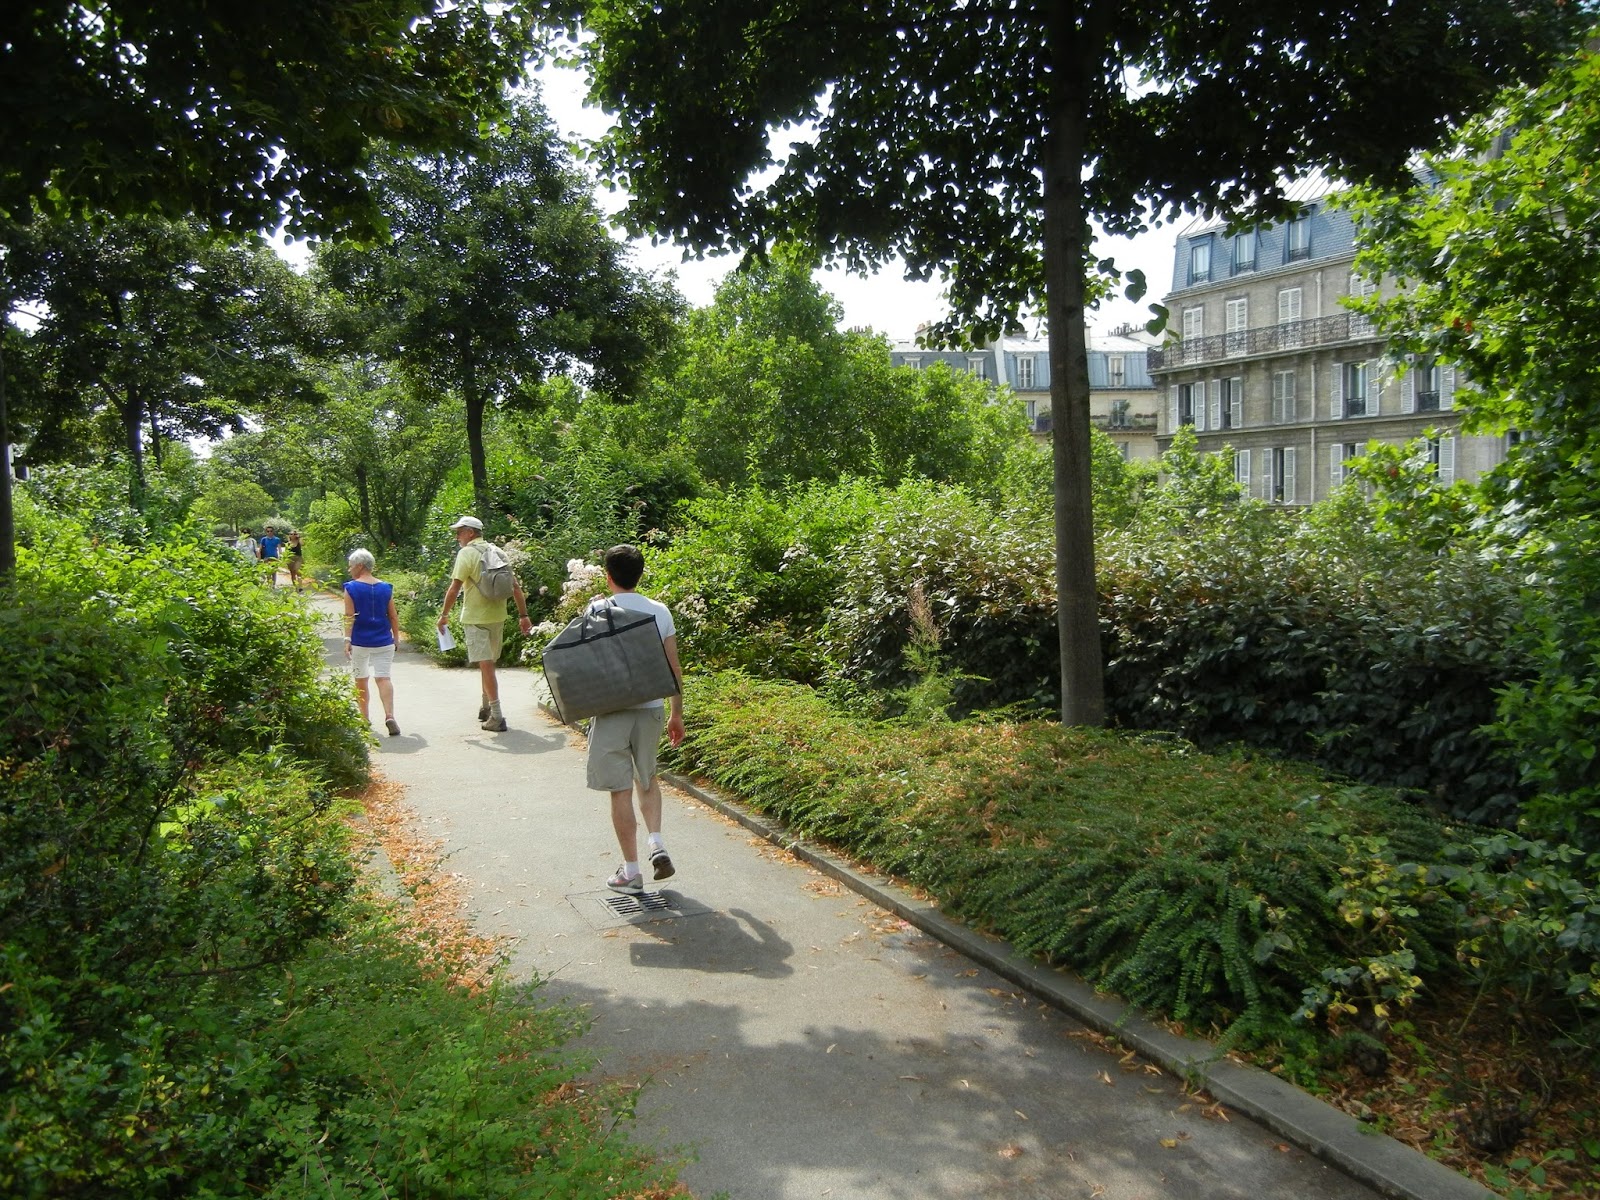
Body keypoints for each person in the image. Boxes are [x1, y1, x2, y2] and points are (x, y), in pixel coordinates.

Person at [586, 543, 685, 894]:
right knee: (647, 778)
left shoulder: (597, 608)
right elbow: (673, 667)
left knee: (619, 789)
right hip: (651, 707)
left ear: (608, 576)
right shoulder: (660, 611)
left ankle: (631, 872)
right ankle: (656, 842)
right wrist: (676, 713)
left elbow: (588, 661)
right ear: (640, 575)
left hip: (611, 708)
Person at [436, 516, 532, 732]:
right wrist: (523, 615)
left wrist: (444, 615)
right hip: (498, 616)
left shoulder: (467, 554)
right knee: (488, 664)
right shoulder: (498, 552)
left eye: (459, 532)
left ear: (470, 533)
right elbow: (515, 587)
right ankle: (485, 707)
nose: (457, 537)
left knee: (486, 665)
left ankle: (496, 716)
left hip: (475, 619)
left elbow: (454, 588)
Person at [343, 548, 401, 737]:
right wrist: (396, 637)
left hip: (360, 641)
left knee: (361, 679)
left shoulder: (351, 588)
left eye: (351, 566)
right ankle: (389, 715)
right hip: (383, 640)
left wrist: (347, 639)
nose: (349, 569)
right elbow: (393, 615)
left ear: (360, 566)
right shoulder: (386, 588)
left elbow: (349, 616)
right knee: (383, 678)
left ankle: (364, 719)